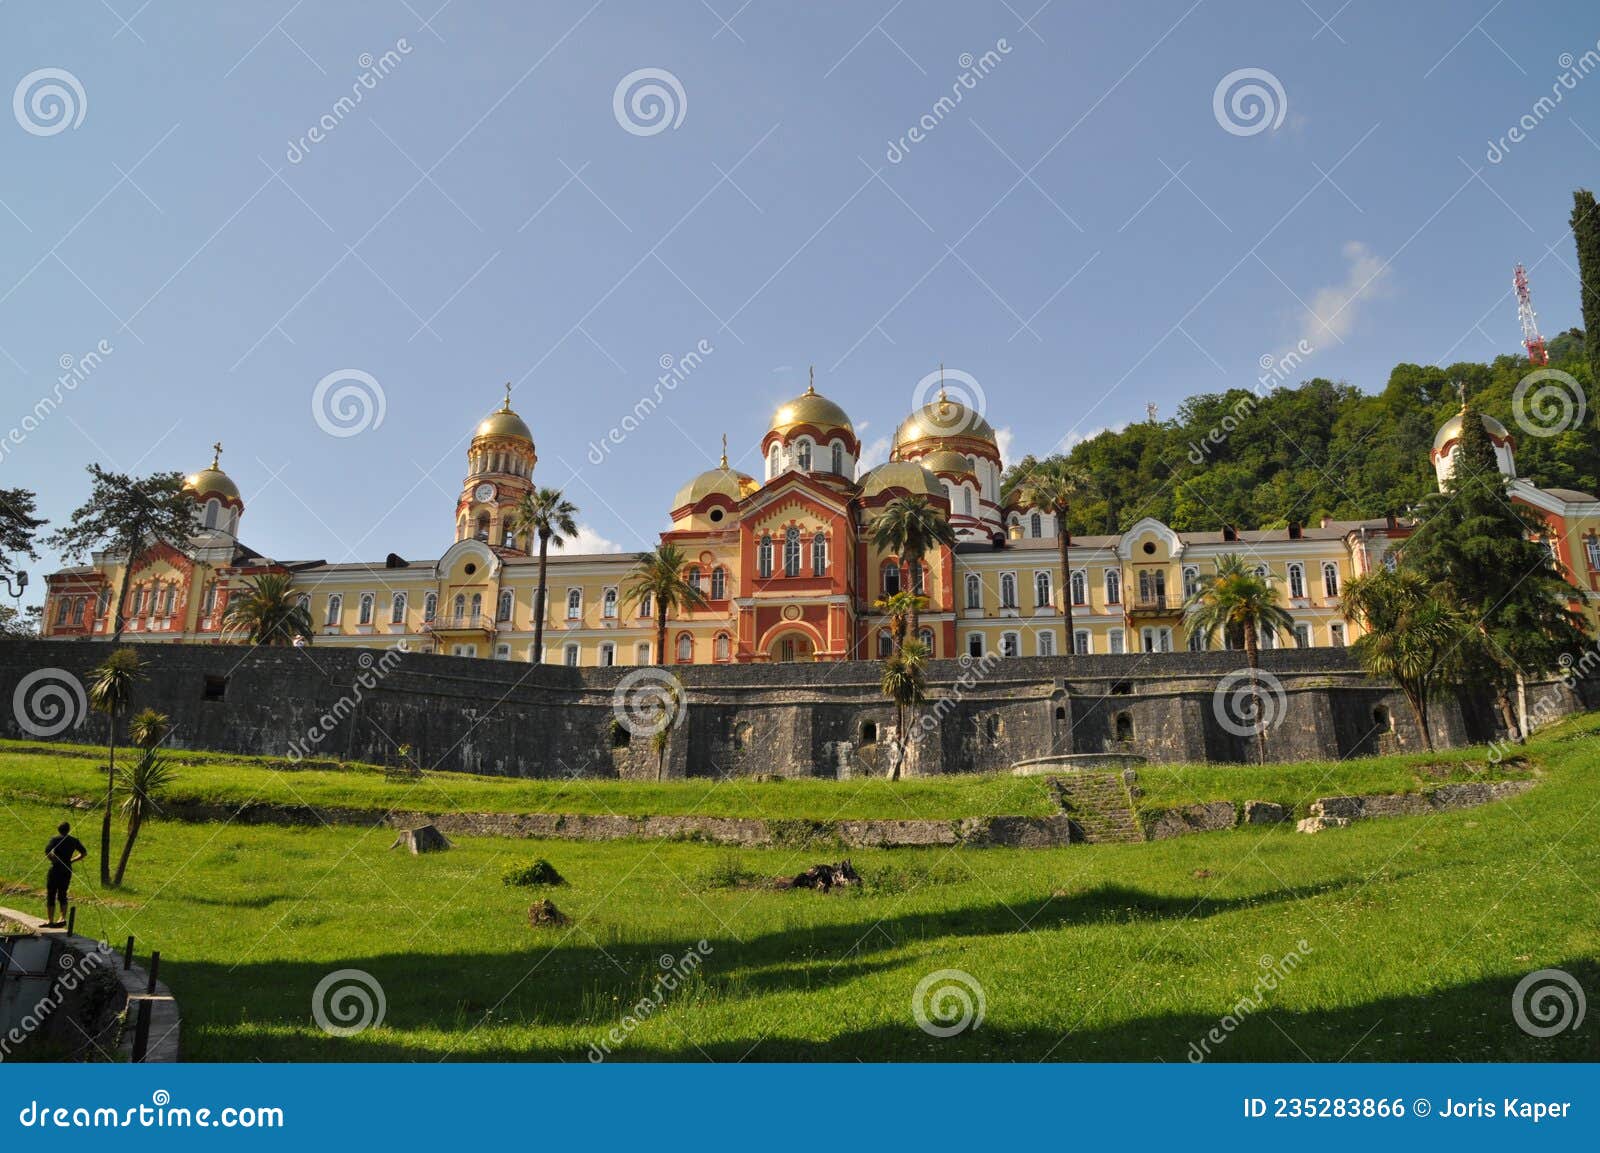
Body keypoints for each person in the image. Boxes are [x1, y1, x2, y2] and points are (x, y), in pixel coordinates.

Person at [44, 821, 87, 927]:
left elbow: (48, 852)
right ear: (68, 830)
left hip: (55, 869)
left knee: (51, 893)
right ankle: (62, 918)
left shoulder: (55, 839)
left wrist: (54, 860)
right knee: (63, 893)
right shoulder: (74, 840)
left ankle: (50, 920)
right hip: (67, 869)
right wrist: (72, 860)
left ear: (59, 829)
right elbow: (84, 853)